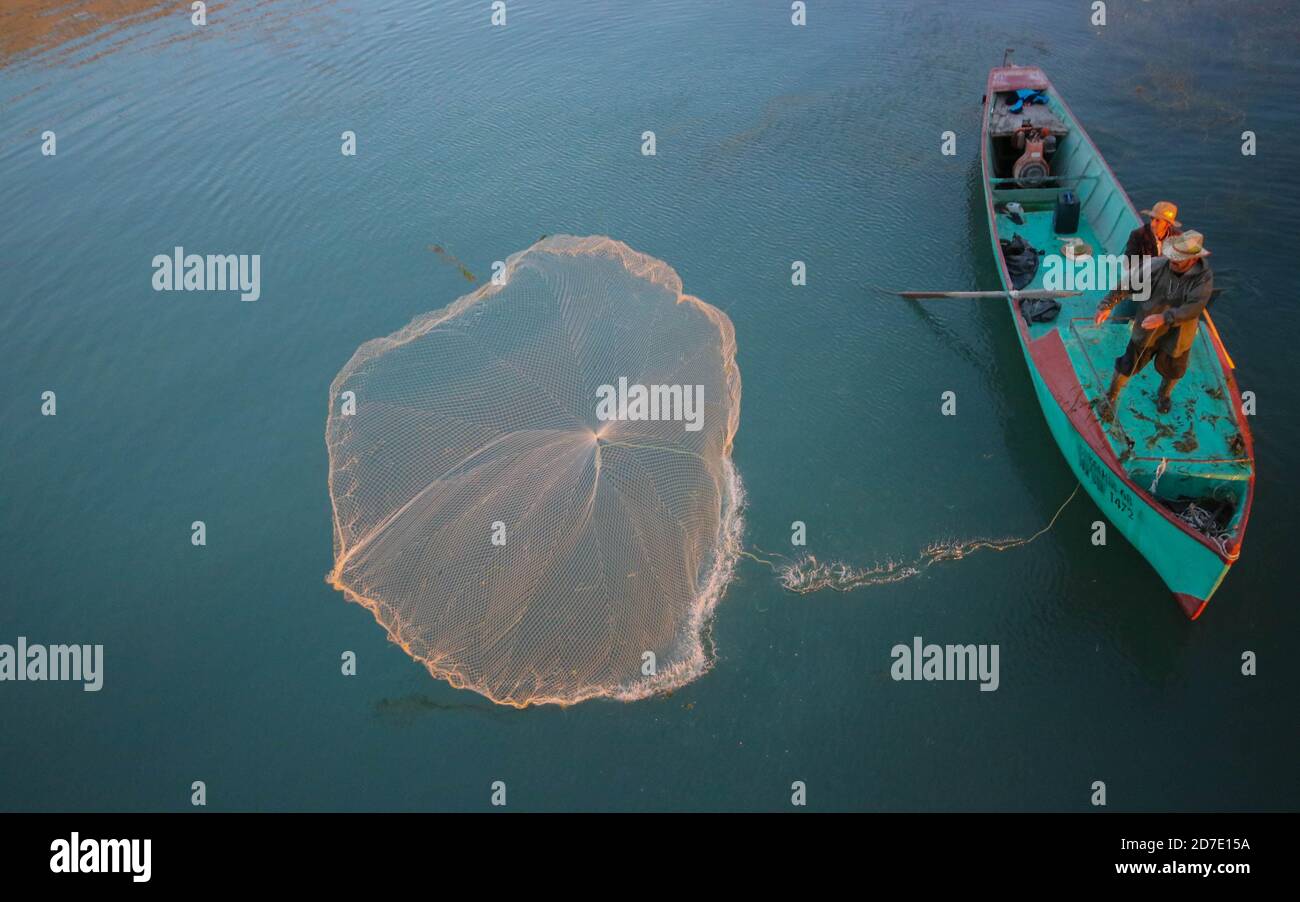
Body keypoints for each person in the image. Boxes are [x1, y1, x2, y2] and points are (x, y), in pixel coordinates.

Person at [1093, 230, 1214, 418]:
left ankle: (1164, 395)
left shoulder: (1203, 279)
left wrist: (1165, 318)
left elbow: (1194, 307)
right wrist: (1107, 304)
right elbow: (1128, 284)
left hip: (1180, 332)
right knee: (1128, 363)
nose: (1173, 261)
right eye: (1173, 256)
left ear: (1193, 260)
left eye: (1179, 259)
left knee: (1174, 370)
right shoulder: (1156, 266)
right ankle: (1111, 396)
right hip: (1148, 325)